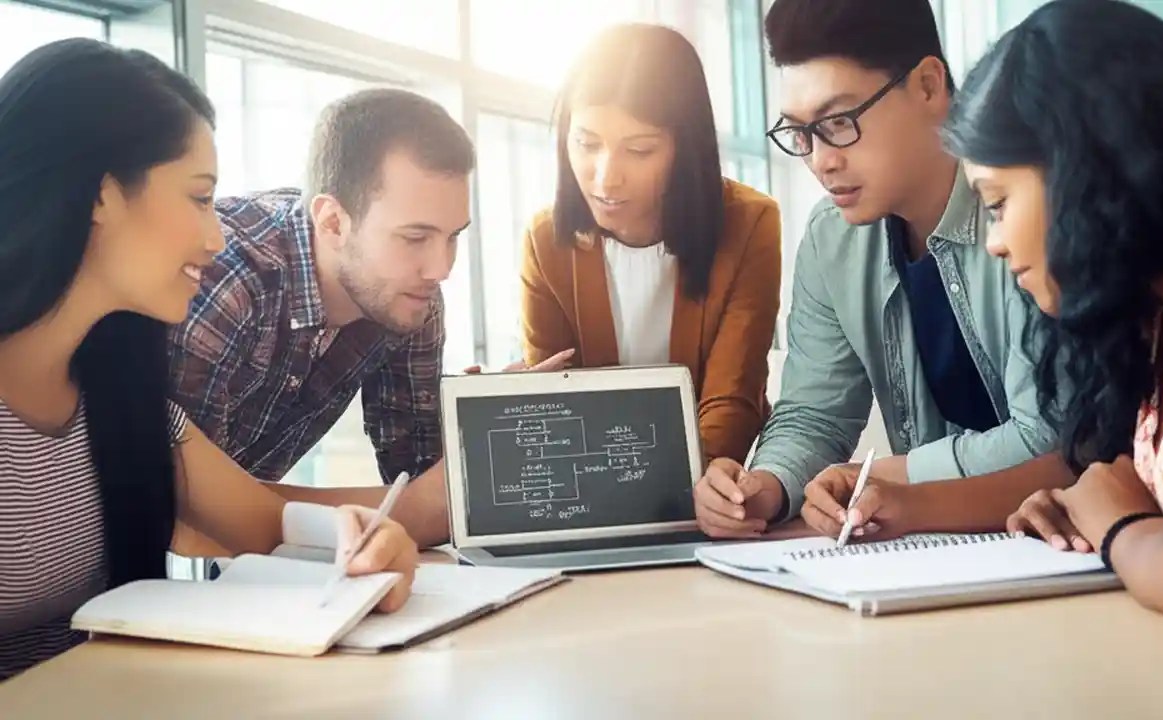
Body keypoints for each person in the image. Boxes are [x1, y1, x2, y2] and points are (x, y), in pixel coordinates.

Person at [0, 39, 418, 681]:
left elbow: (265, 523)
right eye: (200, 198)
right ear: (100, 195)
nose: (217, 236)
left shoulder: (120, 392)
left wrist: (356, 538)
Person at [943, 0, 1163, 679]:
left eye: (998, 203)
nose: (995, 242)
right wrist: (1082, 509)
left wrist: (1117, 526)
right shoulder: (1155, 308)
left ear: (1084, 164)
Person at [694, 0, 1065, 540]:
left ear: (929, 86)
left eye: (838, 123)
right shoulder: (833, 238)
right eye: (800, 133)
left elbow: (1051, 437)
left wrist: (891, 476)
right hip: (931, 552)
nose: (820, 160)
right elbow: (815, 414)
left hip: (1062, 543)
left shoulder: (1026, 212)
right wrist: (764, 488)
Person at [168, 89, 571, 552]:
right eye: (415, 238)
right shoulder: (225, 279)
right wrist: (420, 506)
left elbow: (418, 479)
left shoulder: (411, 298)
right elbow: (188, 516)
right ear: (333, 222)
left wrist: (480, 427)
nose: (441, 268)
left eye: (452, 237)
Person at [519, 23, 782, 466]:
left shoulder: (749, 223)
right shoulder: (545, 240)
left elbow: (731, 397)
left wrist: (684, 485)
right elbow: (554, 402)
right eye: (586, 143)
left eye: (639, 150)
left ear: (686, 147)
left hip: (711, 475)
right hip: (591, 479)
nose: (606, 179)